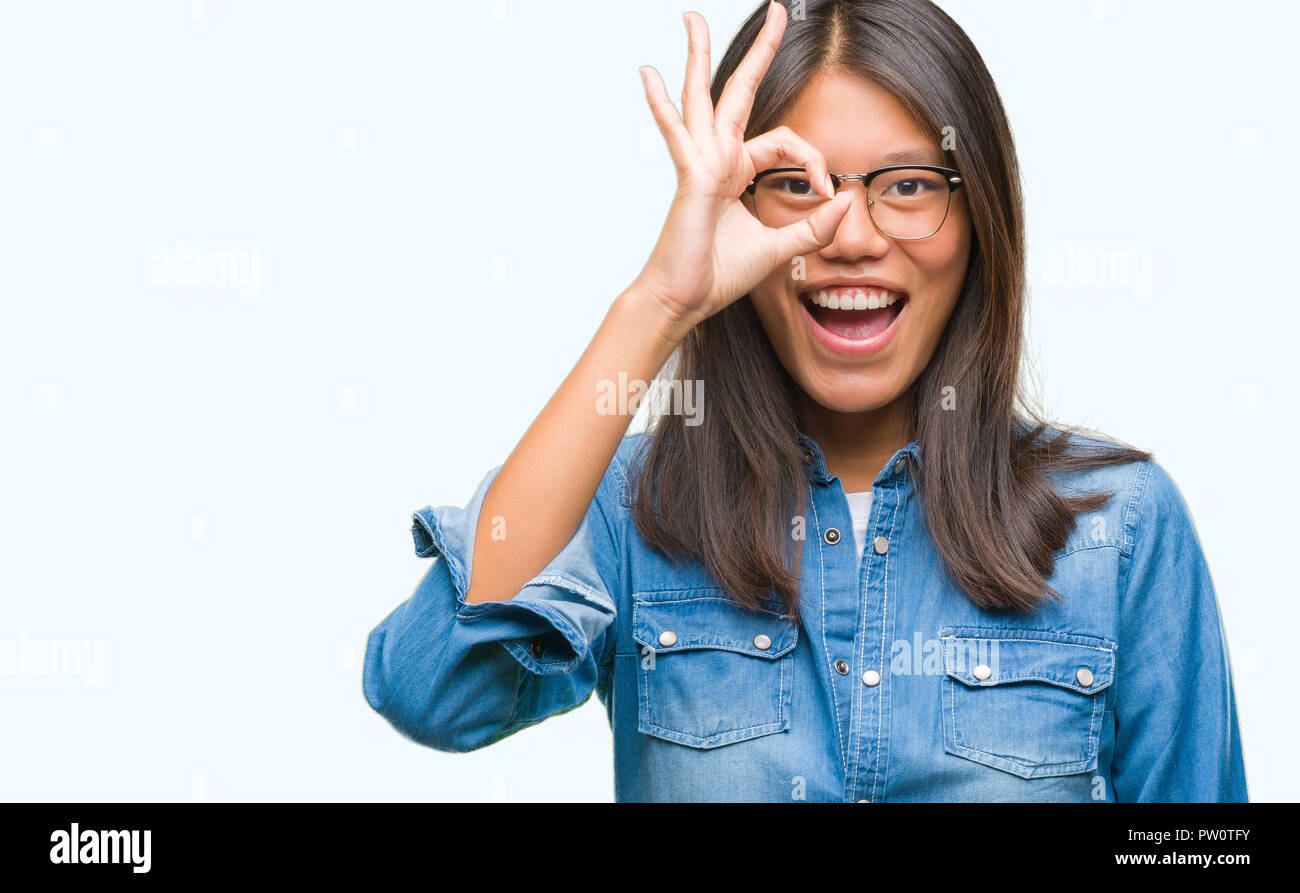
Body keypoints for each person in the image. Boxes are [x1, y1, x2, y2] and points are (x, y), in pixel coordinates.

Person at [362, 0, 1248, 802]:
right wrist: (657, 307)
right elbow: (430, 685)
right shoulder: (633, 510)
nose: (851, 237)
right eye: (798, 185)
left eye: (907, 185)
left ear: (980, 222)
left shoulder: (1123, 526)